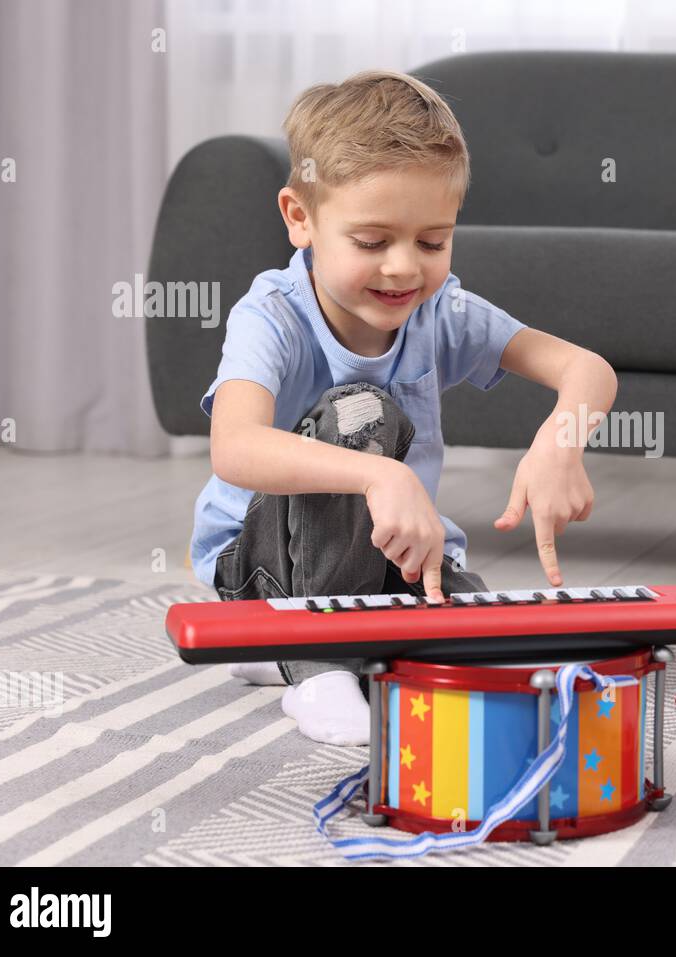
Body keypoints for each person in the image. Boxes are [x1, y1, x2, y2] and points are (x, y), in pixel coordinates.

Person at [190, 71, 616, 746]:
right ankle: (314, 658)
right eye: (372, 241)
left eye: (432, 241)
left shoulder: (440, 311)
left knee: (490, 626)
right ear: (300, 217)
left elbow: (586, 369)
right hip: (258, 573)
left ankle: (380, 641)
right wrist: (382, 474)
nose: (403, 268)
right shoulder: (270, 314)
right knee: (364, 413)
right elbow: (234, 447)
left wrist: (561, 440)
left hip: (391, 561)